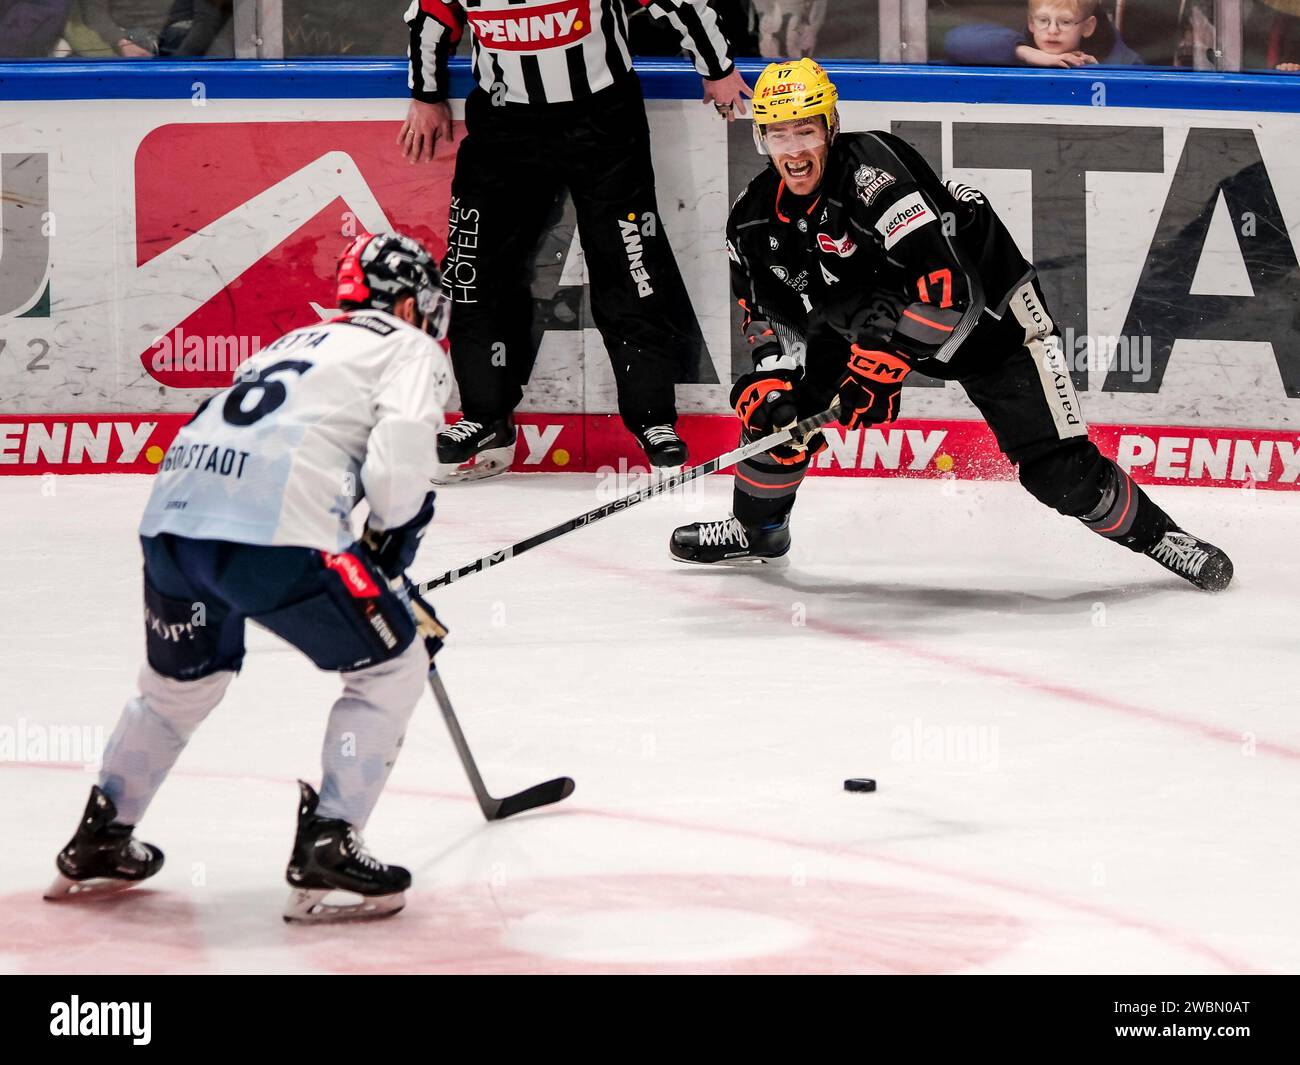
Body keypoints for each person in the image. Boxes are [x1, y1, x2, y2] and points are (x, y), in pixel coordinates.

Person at [670, 59, 1233, 593]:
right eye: (778, 134)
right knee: (780, 415)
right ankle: (757, 531)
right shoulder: (751, 219)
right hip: (881, 324)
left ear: (831, 127)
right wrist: (776, 376)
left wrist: (876, 372)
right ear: (760, 138)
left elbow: (949, 293)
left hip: (992, 323)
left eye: (805, 131)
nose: (793, 150)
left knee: (1058, 473)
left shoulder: (873, 175)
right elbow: (762, 313)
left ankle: (1163, 538)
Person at [47, 233, 455, 923]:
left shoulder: (291, 343)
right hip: (272, 535)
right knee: (394, 664)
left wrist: (375, 565)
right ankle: (329, 840)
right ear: (411, 303)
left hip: (170, 525)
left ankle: (100, 835)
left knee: (180, 686)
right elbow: (398, 459)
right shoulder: (406, 345)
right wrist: (391, 544)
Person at [400, 0, 752, 479]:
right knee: (473, 270)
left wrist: (717, 68)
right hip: (505, 126)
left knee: (631, 267)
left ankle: (653, 419)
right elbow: (431, 15)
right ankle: (484, 416)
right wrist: (424, 93)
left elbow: (679, 1)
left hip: (602, 121)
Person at [945, 0, 1142, 68]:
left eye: (1065, 22)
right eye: (1043, 20)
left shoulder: (1123, 61)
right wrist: (1028, 54)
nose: (1052, 30)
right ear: (1031, 23)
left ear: (1088, 27)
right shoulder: (1020, 50)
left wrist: (1101, 74)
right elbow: (956, 41)